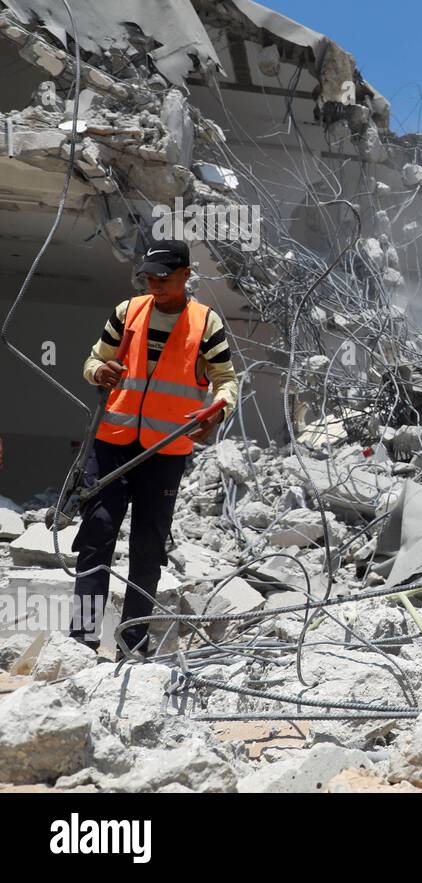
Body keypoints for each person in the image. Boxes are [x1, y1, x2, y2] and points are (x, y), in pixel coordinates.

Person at [70, 238, 237, 659]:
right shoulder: (128, 313)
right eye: (149, 277)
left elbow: (227, 382)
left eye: (163, 278)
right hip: (113, 444)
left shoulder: (206, 324)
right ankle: (82, 642)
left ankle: (134, 645)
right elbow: (92, 362)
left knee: (147, 549)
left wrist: (216, 413)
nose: (155, 285)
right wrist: (99, 371)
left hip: (165, 452)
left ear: (185, 275)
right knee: (96, 537)